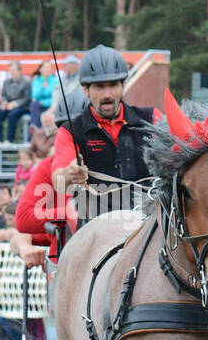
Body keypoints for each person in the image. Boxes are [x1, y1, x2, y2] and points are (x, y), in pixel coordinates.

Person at [48, 44, 153, 228]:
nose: (107, 94)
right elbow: (58, 182)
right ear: (85, 90)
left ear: (123, 86)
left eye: (113, 85)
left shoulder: (151, 118)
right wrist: (70, 174)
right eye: (99, 87)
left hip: (149, 222)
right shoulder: (70, 131)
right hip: (97, 227)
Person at [0, 60, 32, 144]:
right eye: (10, 70)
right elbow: (4, 95)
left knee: (12, 115)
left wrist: (15, 104)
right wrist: (4, 102)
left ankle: (9, 139)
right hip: (8, 106)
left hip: (22, 107)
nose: (11, 72)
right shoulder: (6, 82)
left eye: (13, 70)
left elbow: (27, 98)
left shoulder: (26, 82)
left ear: (19, 71)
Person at [48, 54, 83, 122]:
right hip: (60, 106)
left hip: (75, 109)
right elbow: (56, 91)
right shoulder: (63, 77)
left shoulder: (81, 77)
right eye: (65, 64)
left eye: (67, 64)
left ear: (74, 65)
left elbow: (78, 94)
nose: (65, 66)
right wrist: (54, 105)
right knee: (46, 116)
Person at [29, 61, 57, 127]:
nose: (48, 69)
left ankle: (35, 130)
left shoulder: (55, 81)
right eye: (46, 67)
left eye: (49, 67)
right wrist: (42, 87)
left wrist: (44, 102)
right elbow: (35, 96)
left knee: (36, 109)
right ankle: (35, 128)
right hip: (39, 107)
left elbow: (56, 97)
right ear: (40, 70)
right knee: (34, 105)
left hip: (51, 107)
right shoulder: (36, 81)